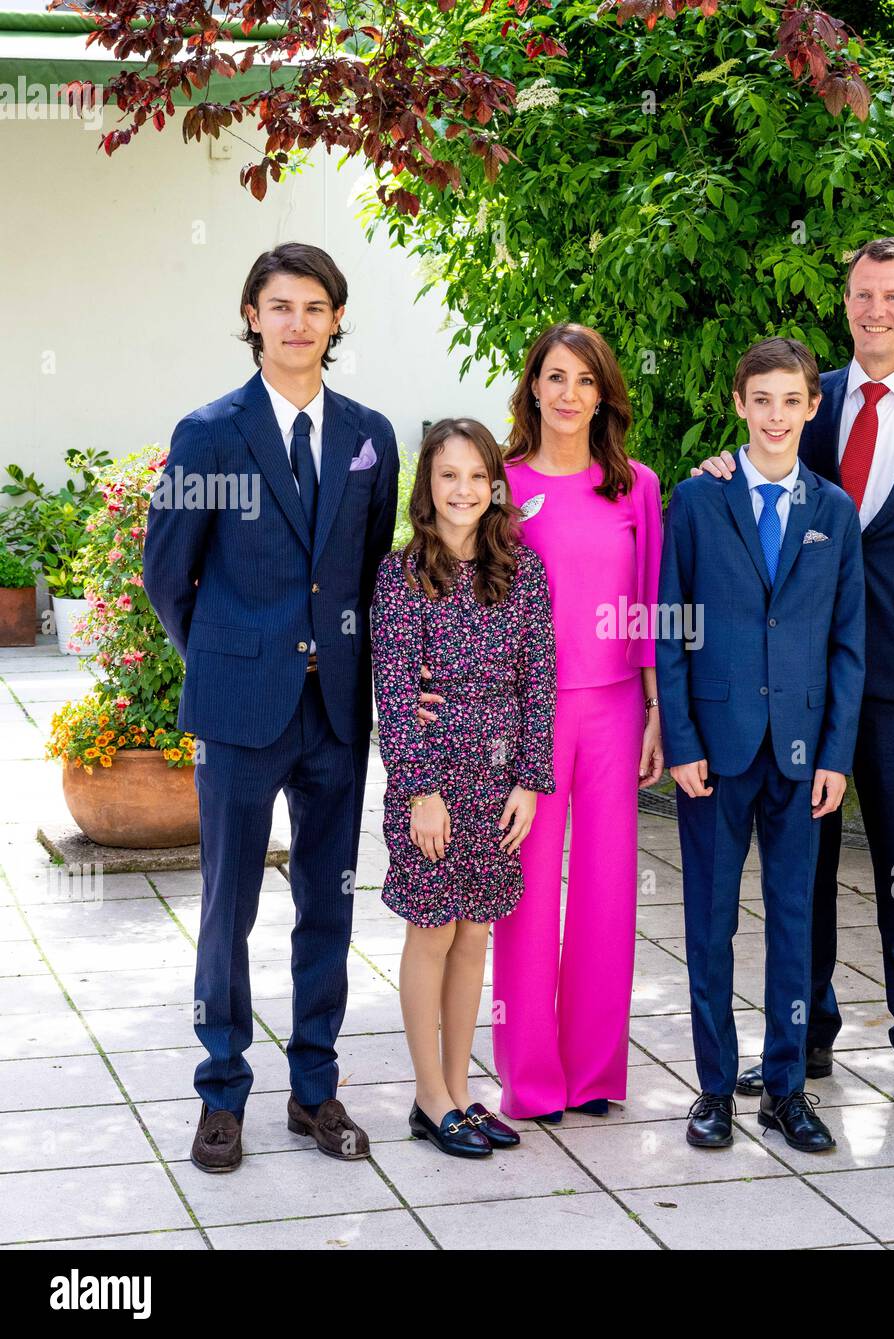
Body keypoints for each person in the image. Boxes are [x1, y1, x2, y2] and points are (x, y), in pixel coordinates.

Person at [695, 238, 894, 1117]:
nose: (875, 311)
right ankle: (807, 1036)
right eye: (862, 295)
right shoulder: (807, 399)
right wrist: (721, 465)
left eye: (893, 296)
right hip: (801, 679)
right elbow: (762, 473)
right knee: (805, 868)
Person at [143, 243, 398, 1171]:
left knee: (327, 906)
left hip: (336, 712)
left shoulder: (371, 435)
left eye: (315, 307)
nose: (297, 322)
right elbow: (167, 574)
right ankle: (222, 1092)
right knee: (229, 906)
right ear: (251, 315)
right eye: (279, 306)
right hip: (240, 710)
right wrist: (223, 660)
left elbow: (370, 577)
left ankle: (316, 1090)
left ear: (336, 321)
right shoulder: (210, 432)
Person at [659, 337, 866, 1153]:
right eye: (762, 400)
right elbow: (670, 629)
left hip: (802, 753)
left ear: (813, 408)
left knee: (793, 924)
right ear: (739, 405)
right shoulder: (697, 501)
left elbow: (849, 642)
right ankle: (714, 1087)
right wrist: (678, 738)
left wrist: (838, 754)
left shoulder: (834, 512)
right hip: (713, 750)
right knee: (710, 925)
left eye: (792, 401)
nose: (777, 416)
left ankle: (785, 1089)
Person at [487, 323, 664, 1122]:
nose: (568, 395)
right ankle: (530, 1078)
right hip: (528, 711)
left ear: (604, 395)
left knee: (605, 889)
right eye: (554, 378)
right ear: (532, 387)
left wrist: (659, 711)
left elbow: (655, 604)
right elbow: (471, 593)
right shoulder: (499, 481)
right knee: (523, 892)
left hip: (619, 705)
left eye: (585, 381)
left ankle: (593, 1072)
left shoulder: (638, 487)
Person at [370, 418, 557, 1157]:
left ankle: (456, 1091)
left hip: (498, 779)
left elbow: (540, 679)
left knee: (476, 929)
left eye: (477, 476)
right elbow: (391, 685)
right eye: (448, 475)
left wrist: (531, 781)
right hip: (433, 780)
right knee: (434, 927)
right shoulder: (401, 573)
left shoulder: (522, 568)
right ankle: (426, 1092)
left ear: (495, 485)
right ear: (428, 484)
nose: (464, 490)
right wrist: (419, 788)